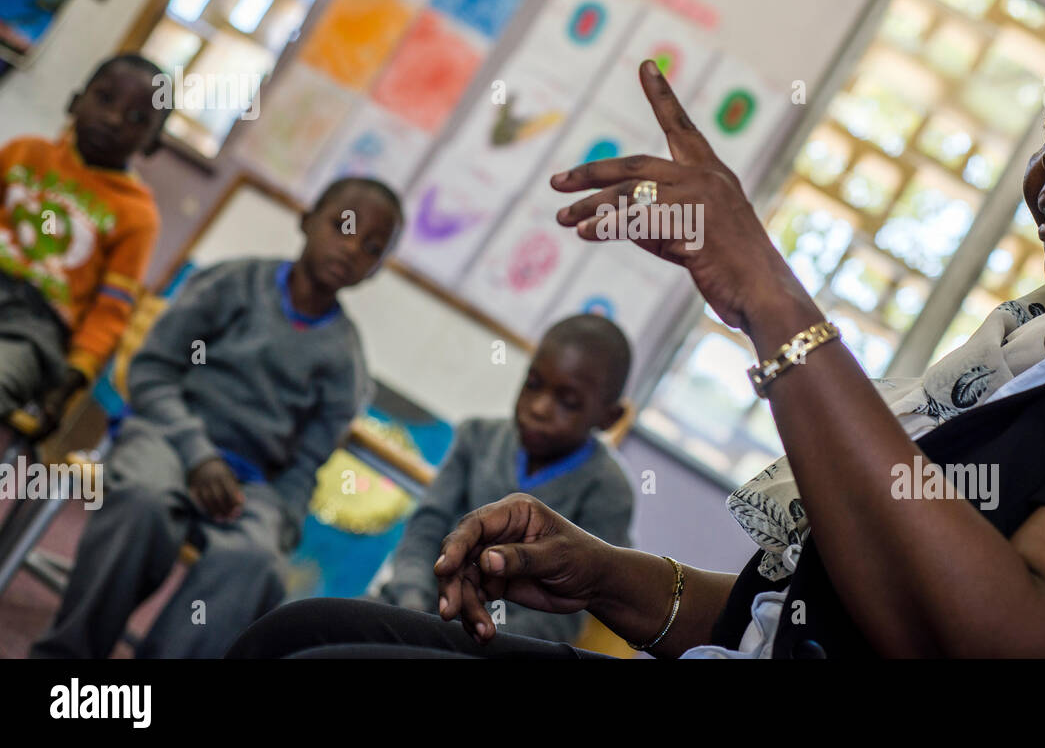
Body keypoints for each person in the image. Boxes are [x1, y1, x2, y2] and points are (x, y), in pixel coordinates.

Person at [229, 0, 1045, 659]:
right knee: (308, 632)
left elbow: (1006, 637)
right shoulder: (1035, 348)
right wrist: (600, 570)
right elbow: (796, 615)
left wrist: (768, 300)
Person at [31, 177, 404, 659]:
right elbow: (153, 370)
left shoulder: (345, 362)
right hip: (169, 436)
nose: (350, 248)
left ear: (376, 270)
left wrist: (278, 527)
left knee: (254, 563)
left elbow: (305, 465)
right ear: (307, 220)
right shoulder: (232, 284)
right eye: (341, 226)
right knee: (142, 502)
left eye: (371, 247)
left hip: (251, 486)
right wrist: (197, 454)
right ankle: (68, 657)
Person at [375, 314, 635, 643]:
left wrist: (465, 635)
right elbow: (427, 526)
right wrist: (413, 600)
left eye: (568, 402)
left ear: (609, 417)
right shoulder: (477, 437)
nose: (539, 408)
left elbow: (566, 615)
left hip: (498, 646)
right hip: (414, 608)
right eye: (533, 384)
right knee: (317, 629)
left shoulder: (607, 491)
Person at [0, 54, 166, 435]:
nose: (113, 120)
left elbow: (111, 310)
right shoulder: (25, 153)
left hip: (35, 327)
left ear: (153, 144)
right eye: (104, 99)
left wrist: (72, 379)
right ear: (76, 101)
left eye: (138, 119)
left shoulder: (136, 215)